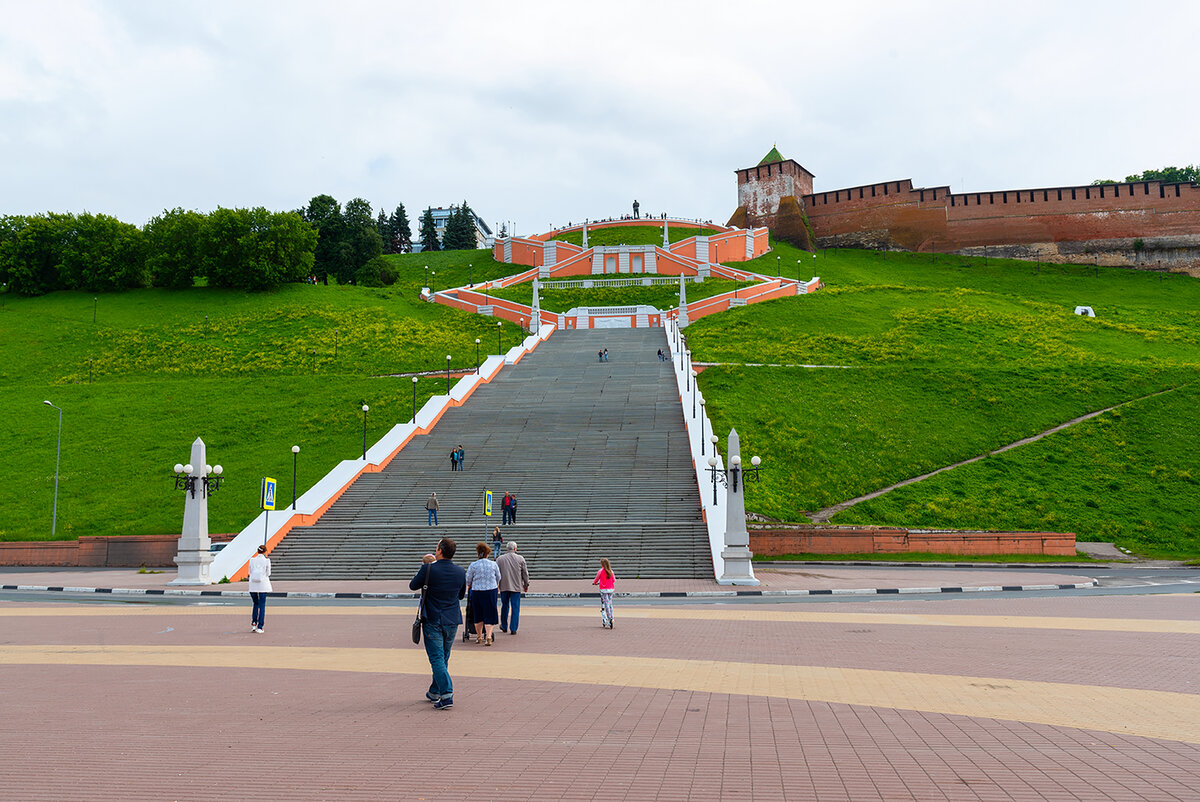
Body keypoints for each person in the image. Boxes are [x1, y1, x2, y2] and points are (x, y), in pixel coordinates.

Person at [410, 538, 466, 710]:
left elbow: (413, 585)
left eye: (436, 547)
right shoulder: (460, 571)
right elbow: (461, 595)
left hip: (433, 619)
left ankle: (447, 694)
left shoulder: (428, 569)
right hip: (452, 620)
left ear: (440, 551)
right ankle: (435, 691)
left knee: (436, 658)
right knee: (443, 657)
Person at [465, 542, 501, 645]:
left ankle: (479, 636)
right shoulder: (493, 564)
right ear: (487, 554)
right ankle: (488, 636)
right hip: (491, 591)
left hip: (477, 591)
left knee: (478, 613)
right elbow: (499, 577)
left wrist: (470, 585)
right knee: (490, 612)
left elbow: (468, 579)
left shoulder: (473, 565)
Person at [497, 541, 529, 635]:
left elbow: (497, 574)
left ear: (507, 549)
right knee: (515, 607)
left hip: (504, 586)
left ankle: (504, 625)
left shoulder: (500, 559)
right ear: (515, 549)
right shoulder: (520, 558)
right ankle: (513, 628)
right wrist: (526, 585)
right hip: (516, 587)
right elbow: (525, 573)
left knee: (504, 606)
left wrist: (497, 585)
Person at [248, 544, 272, 633]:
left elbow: (249, 572)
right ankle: (260, 626)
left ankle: (254, 623)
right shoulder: (267, 561)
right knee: (262, 605)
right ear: (265, 552)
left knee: (255, 604)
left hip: (253, 585)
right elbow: (268, 573)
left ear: (257, 551)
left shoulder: (251, 560)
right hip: (263, 585)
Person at [593, 557, 615, 629]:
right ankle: (612, 617)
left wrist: (595, 583)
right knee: (610, 603)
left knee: (606, 604)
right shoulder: (611, 571)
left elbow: (596, 579)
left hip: (603, 590)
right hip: (611, 589)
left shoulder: (600, 571)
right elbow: (614, 580)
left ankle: (609, 618)